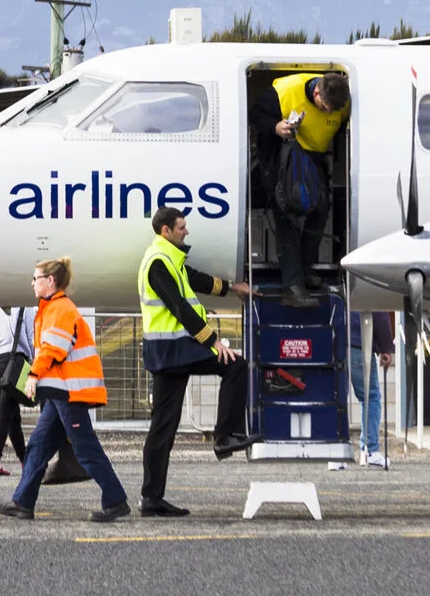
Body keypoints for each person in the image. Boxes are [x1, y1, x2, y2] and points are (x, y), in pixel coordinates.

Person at [0, 259, 129, 523]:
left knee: (84, 447)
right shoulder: (53, 308)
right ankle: (23, 503)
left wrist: (33, 375)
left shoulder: (60, 309)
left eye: (36, 278)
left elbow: (53, 349)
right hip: (60, 393)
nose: (32, 283)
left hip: (69, 393)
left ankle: (115, 501)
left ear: (50, 281)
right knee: (38, 446)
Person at [137, 206, 253, 517]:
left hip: (173, 353)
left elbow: (196, 280)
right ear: (166, 231)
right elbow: (180, 308)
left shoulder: (169, 259)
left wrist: (232, 288)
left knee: (163, 428)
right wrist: (213, 341)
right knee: (235, 365)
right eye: (181, 227)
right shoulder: (158, 263)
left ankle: (152, 498)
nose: (186, 232)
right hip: (173, 352)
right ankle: (225, 437)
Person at [269, 71, 350, 305]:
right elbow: (257, 115)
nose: (328, 114)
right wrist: (276, 127)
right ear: (316, 93)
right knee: (287, 213)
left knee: (321, 209)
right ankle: (292, 286)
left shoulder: (341, 103)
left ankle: (305, 267)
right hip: (286, 159)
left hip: (314, 161)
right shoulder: (285, 91)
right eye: (325, 108)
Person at [0, 302, 33, 475]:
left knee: (12, 416)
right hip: (14, 363)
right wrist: (35, 365)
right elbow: (31, 338)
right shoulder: (25, 306)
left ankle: (25, 461)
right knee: (4, 414)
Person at [348, 310, 395, 464]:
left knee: (337, 398)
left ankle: (336, 453)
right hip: (360, 343)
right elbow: (379, 314)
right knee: (370, 398)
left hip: (334, 343)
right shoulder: (365, 291)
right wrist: (385, 348)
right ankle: (369, 451)